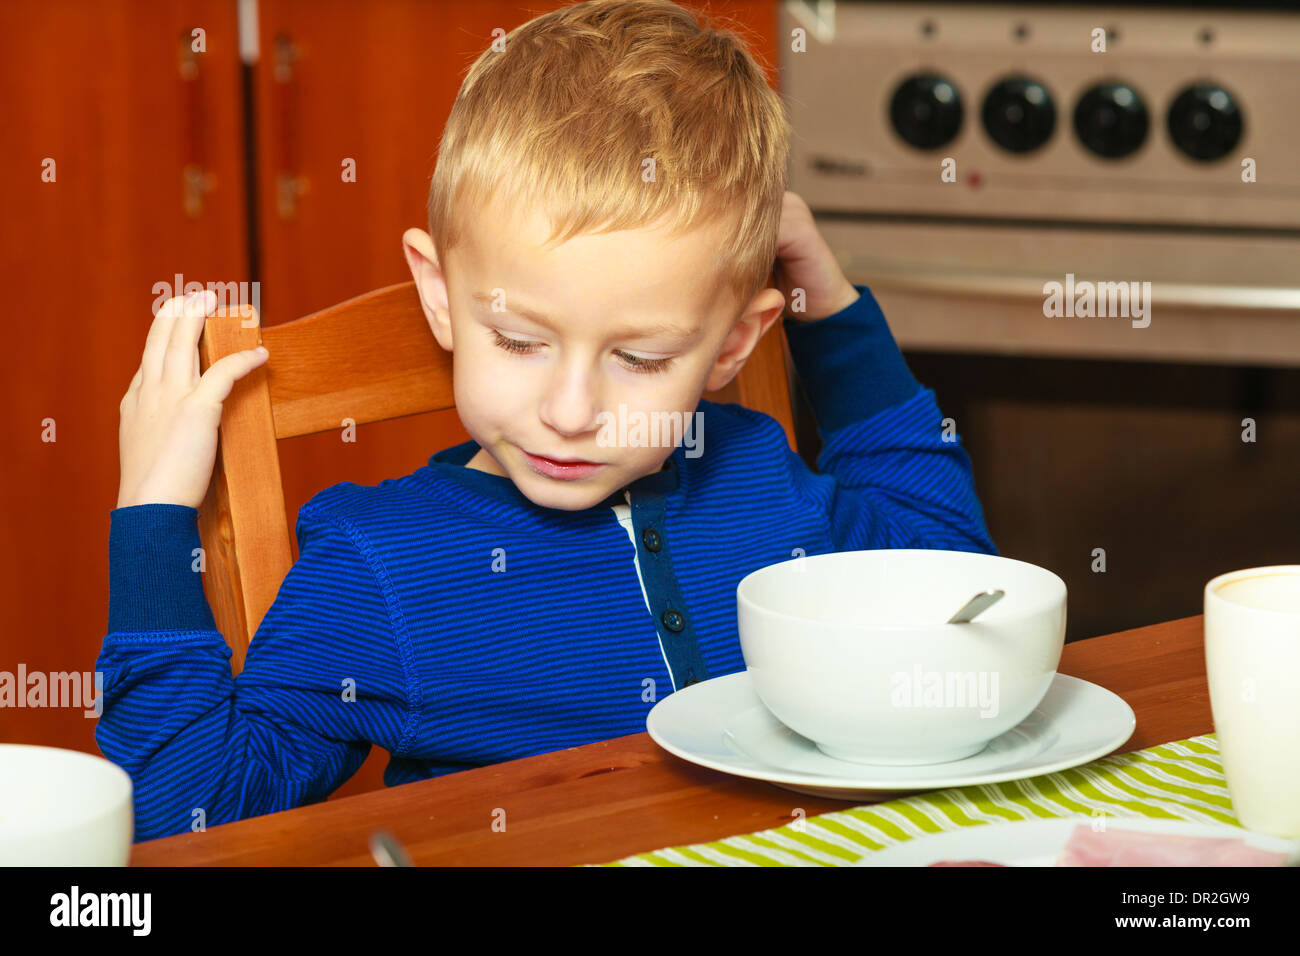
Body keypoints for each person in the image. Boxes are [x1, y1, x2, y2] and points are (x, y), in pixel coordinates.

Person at [100, 0, 997, 842]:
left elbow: (958, 586)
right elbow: (190, 815)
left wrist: (828, 305)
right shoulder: (382, 565)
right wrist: (151, 514)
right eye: (519, 341)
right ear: (441, 298)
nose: (570, 415)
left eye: (640, 360)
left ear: (733, 346)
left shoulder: (761, 477)